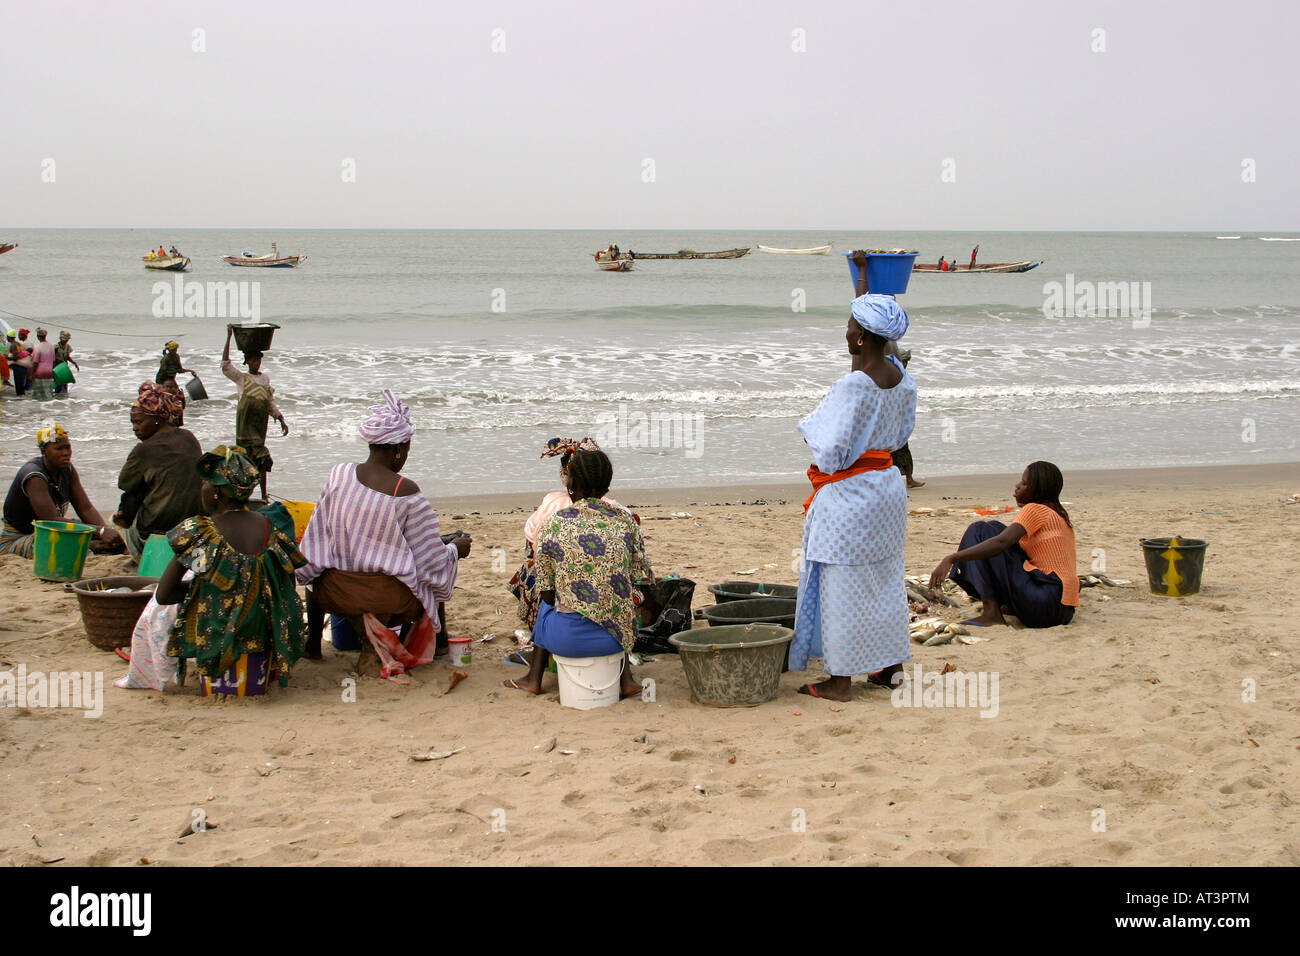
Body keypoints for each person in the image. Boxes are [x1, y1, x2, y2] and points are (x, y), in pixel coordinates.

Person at [790, 291, 916, 701]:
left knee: (841, 581)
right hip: (887, 487)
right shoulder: (903, 381)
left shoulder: (852, 387)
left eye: (849, 326)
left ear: (861, 336)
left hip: (850, 494)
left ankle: (840, 681)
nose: (845, 332)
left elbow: (830, 451)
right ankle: (891, 669)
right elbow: (897, 437)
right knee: (883, 578)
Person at [296, 390, 470, 663]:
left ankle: (313, 645)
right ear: (399, 449)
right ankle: (439, 645)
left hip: (335, 593)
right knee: (438, 572)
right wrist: (455, 550)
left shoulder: (338, 474)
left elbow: (316, 539)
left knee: (315, 569)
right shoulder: (407, 492)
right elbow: (431, 561)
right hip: (389, 597)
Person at [502, 448, 651, 700]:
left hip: (566, 640)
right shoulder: (626, 521)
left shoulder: (554, 524)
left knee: (547, 606)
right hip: (615, 641)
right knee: (621, 601)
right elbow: (640, 578)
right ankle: (626, 680)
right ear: (606, 485)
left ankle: (533, 679)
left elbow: (548, 595)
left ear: (570, 484)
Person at [155, 446, 307, 688]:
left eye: (205, 483)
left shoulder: (202, 536)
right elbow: (285, 588)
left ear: (216, 492)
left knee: (164, 606)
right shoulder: (273, 528)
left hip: (216, 634)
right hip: (263, 634)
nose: (202, 488)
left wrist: (205, 591)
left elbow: (164, 594)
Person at [507, 436, 629, 663]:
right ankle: (627, 679)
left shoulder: (554, 509)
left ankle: (536, 667)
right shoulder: (622, 514)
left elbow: (534, 549)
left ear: (568, 477)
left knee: (535, 575)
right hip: (617, 633)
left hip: (565, 633)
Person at [928, 462, 1078, 629]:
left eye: (1024, 483)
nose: (1017, 486)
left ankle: (991, 613)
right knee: (993, 527)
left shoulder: (1036, 509)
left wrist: (951, 558)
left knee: (979, 530)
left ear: (1037, 489)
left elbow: (1001, 543)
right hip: (1064, 611)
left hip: (1045, 602)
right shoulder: (1059, 516)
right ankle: (1005, 605)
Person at [1, 423, 124, 557]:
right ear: (44, 451)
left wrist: (106, 531)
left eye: (68, 448)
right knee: (66, 546)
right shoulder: (35, 476)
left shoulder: (67, 470)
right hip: (20, 538)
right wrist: (100, 531)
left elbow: (85, 509)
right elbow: (52, 520)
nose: (65, 453)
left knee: (111, 542)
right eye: (59, 449)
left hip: (52, 532)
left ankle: (91, 545)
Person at [113, 382, 204, 560]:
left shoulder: (145, 449)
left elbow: (124, 483)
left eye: (139, 422)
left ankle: (139, 553)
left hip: (156, 532)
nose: (134, 428)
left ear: (157, 418)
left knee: (132, 494)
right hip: (193, 528)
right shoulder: (189, 437)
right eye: (133, 423)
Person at [222, 325, 288, 501]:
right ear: (247, 362)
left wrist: (280, 418)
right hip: (245, 425)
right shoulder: (242, 379)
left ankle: (264, 495)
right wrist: (229, 337)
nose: (256, 363)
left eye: (258, 360)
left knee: (261, 461)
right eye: (252, 361)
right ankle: (243, 494)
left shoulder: (264, 378)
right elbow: (225, 365)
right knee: (247, 460)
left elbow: (270, 401)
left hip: (259, 426)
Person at [885, 344, 924, 489]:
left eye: (907, 362)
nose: (905, 364)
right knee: (894, 451)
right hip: (891, 421)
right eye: (903, 361)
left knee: (903, 450)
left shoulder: (901, 376)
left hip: (898, 420)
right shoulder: (892, 376)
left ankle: (909, 478)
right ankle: (903, 479)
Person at [29, 328, 56, 401]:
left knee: (39, 396)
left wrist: (31, 374)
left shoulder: (37, 347)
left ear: (38, 336)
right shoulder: (51, 346)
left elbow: (35, 363)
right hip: (49, 373)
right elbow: (53, 361)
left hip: (39, 374)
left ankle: (41, 410)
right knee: (48, 394)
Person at [53, 331, 79, 396]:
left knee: (65, 385)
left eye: (67, 340)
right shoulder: (56, 347)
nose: (65, 341)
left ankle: (64, 400)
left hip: (64, 368)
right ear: (61, 338)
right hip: (57, 368)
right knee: (58, 386)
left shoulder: (68, 347)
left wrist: (74, 363)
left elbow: (67, 357)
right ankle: (56, 400)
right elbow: (51, 357)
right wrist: (57, 360)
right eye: (64, 340)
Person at [7, 329, 31, 397]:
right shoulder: (18, 344)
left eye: (7, 336)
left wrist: (6, 357)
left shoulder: (13, 345)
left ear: (9, 337)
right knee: (21, 388)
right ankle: (23, 402)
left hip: (19, 368)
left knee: (19, 389)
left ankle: (21, 403)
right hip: (22, 367)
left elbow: (16, 357)